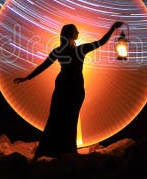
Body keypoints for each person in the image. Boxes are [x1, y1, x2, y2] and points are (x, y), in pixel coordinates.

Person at [14, 21, 124, 158]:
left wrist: (27, 78)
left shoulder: (60, 51)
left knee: (58, 117)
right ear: (71, 35)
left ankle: (54, 150)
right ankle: (65, 150)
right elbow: (101, 42)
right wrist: (112, 28)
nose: (78, 33)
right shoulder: (80, 50)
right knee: (68, 118)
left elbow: (44, 65)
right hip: (73, 87)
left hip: (66, 86)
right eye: (76, 31)